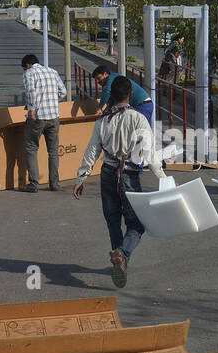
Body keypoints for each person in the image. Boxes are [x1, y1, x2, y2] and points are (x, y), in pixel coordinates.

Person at [73, 76, 166, 288]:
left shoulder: (103, 121)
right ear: (130, 94)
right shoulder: (138, 119)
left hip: (107, 172)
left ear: (111, 96)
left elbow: (92, 150)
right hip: (129, 175)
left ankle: (119, 257)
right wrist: (164, 180)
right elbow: (150, 154)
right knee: (136, 224)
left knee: (112, 221)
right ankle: (122, 254)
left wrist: (81, 177)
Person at [21, 53, 65, 192]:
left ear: (27, 65)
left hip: (38, 117)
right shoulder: (53, 71)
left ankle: (34, 184)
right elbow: (63, 92)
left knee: (31, 148)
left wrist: (31, 109)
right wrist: (53, 102)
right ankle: (54, 184)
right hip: (54, 116)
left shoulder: (29, 73)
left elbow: (30, 91)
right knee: (53, 151)